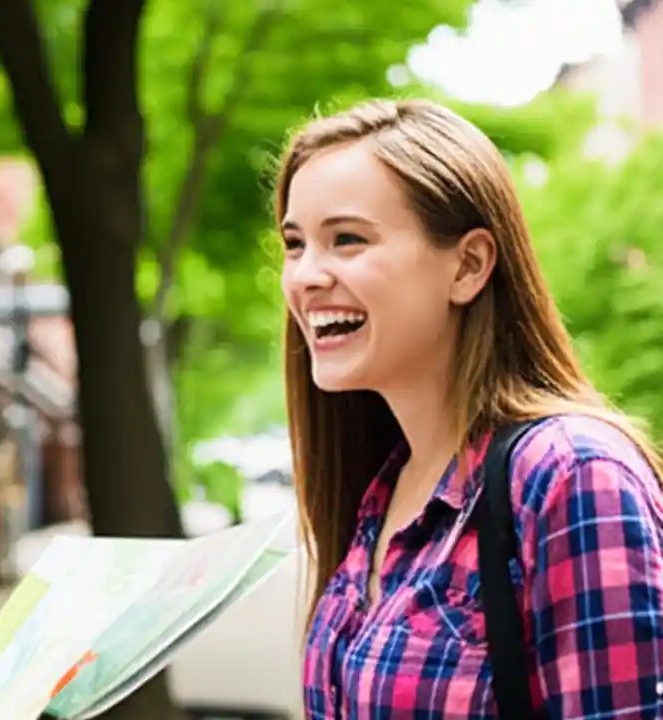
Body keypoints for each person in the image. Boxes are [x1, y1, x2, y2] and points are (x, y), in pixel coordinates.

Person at [276, 98, 663, 718]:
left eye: (347, 239)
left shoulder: (570, 475)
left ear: (469, 265)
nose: (305, 277)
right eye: (295, 245)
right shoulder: (378, 491)